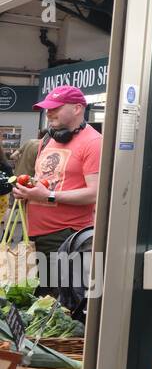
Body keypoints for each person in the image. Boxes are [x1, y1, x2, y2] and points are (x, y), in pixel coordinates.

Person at [11, 88, 102, 289]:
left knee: (59, 304)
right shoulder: (49, 139)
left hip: (65, 237)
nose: (49, 113)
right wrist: (26, 190)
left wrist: (49, 196)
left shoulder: (93, 142)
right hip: (33, 235)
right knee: (35, 301)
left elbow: (95, 193)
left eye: (55, 108)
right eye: (47, 109)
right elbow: (46, 179)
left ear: (77, 108)